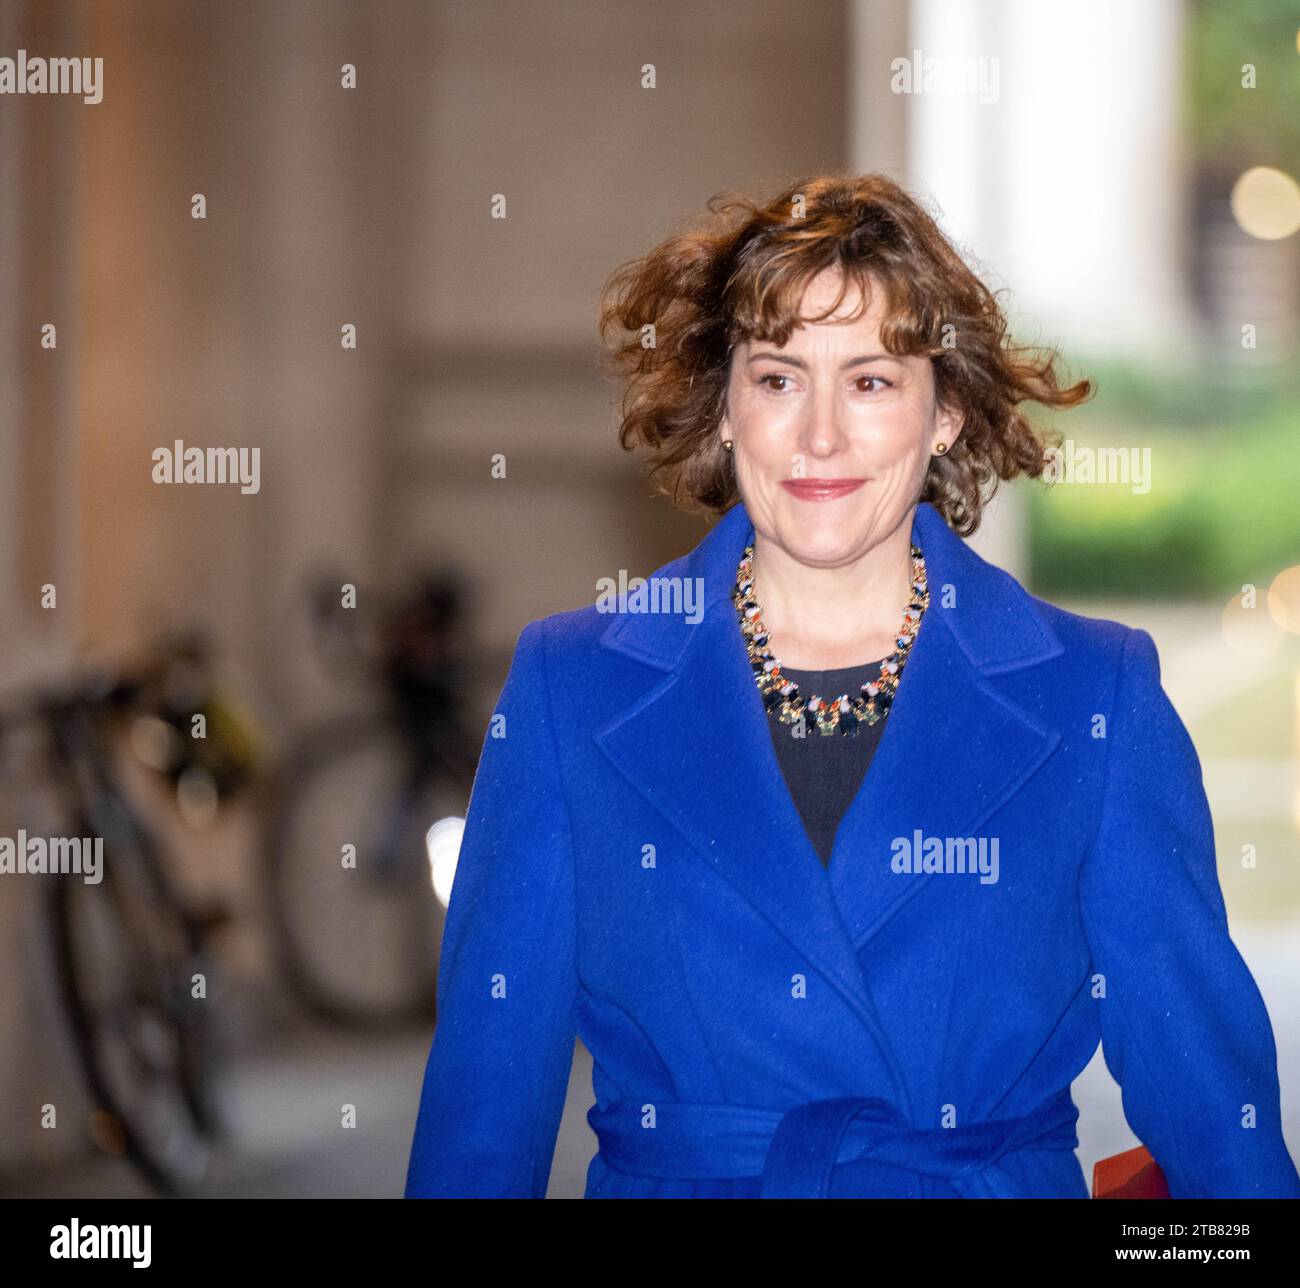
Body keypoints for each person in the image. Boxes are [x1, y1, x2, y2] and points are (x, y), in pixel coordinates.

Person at [405, 173, 1300, 1198]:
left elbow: (1214, 1116)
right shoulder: (573, 689)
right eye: (778, 377)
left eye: (871, 381)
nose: (818, 435)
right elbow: (484, 1105)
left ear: (948, 413)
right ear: (725, 404)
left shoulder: (1095, 696)